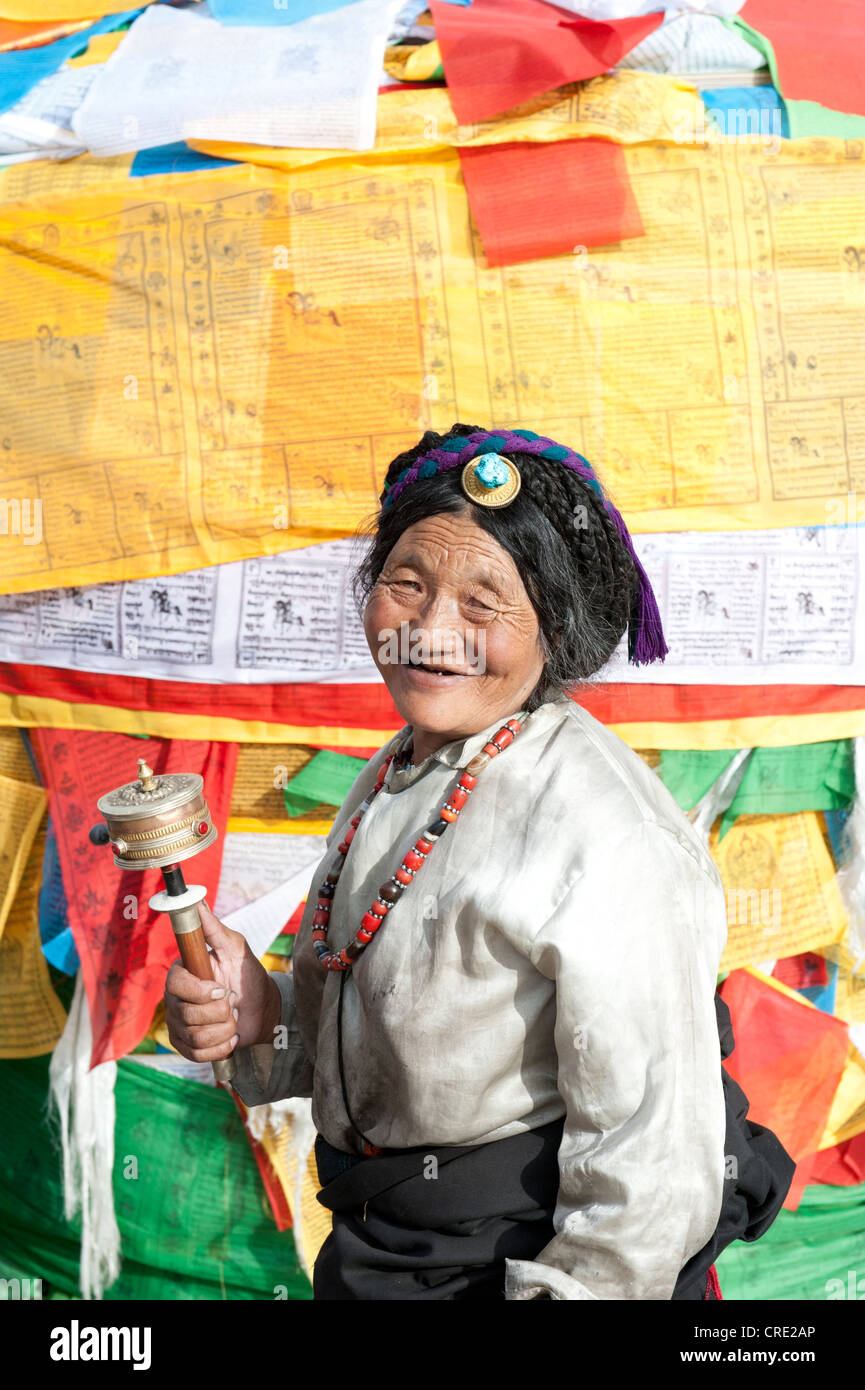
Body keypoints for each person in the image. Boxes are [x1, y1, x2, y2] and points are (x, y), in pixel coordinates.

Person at [165, 423, 793, 1300]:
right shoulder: (403, 769)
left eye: (482, 603)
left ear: (556, 628)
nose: (429, 630)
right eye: (406, 584)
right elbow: (402, 1048)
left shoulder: (602, 832)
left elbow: (652, 1166)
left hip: (517, 1268)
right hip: (382, 1250)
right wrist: (259, 1018)